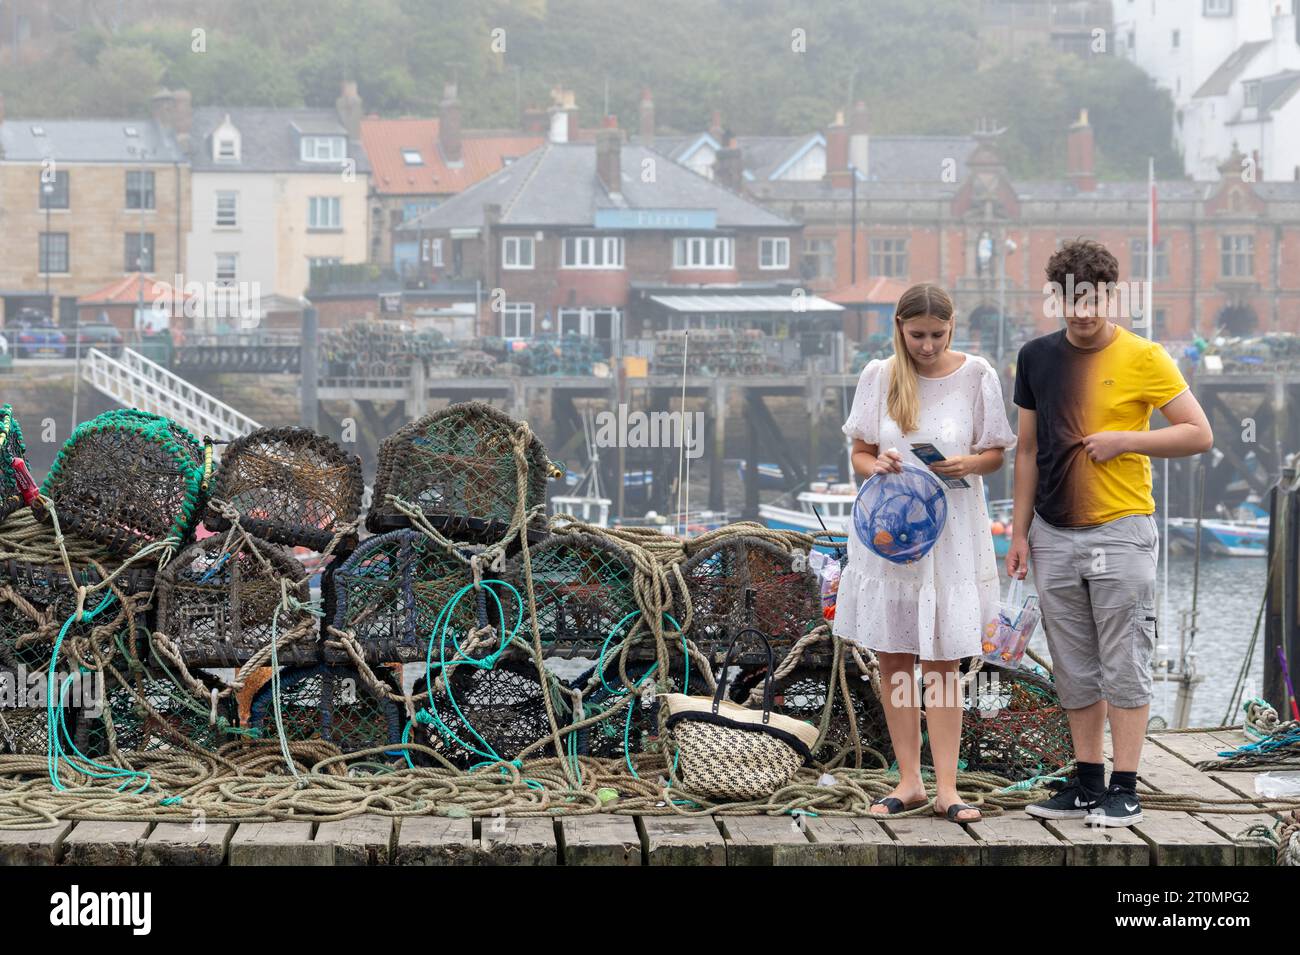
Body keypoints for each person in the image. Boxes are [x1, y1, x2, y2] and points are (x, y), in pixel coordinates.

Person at [1006, 238, 1213, 827]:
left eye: (1092, 299)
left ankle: (1127, 785)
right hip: (1051, 530)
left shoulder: (1146, 357)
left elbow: (1199, 434)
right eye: (1071, 301)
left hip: (1121, 529)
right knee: (1073, 664)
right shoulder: (1035, 357)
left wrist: (1128, 440)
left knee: (1125, 659)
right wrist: (1019, 535)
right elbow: (1026, 450)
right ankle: (1087, 780)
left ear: (1110, 296)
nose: (1082, 312)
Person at [836, 282, 1016, 824]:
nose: (928, 345)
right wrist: (879, 465)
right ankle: (908, 782)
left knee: (942, 658)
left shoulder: (977, 374)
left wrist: (969, 464)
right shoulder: (879, 375)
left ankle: (948, 789)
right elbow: (859, 454)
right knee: (894, 655)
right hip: (892, 534)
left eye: (938, 335)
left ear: (952, 328)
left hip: (954, 533)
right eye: (917, 335)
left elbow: (996, 455)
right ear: (899, 328)